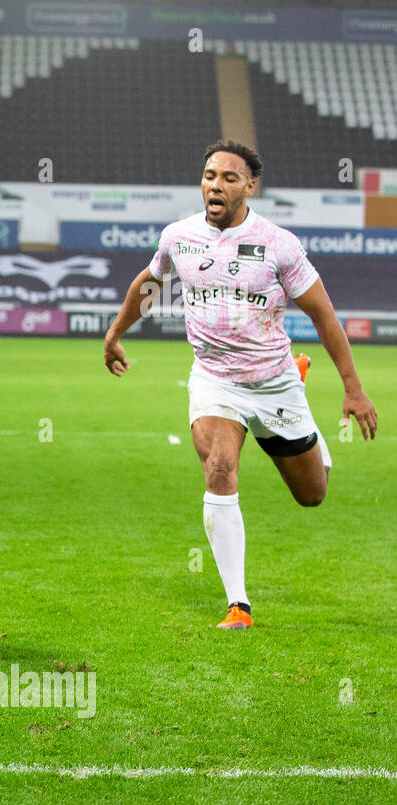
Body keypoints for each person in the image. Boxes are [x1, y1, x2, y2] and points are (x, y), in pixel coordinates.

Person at [103, 140, 378, 629]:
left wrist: (353, 389)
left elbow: (323, 315)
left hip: (274, 384)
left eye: (230, 177)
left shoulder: (278, 244)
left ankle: (302, 388)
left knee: (312, 494)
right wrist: (116, 332)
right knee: (219, 465)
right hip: (214, 380)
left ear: (250, 186)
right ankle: (238, 604)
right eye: (210, 175)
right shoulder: (179, 236)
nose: (216, 184)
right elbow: (149, 283)